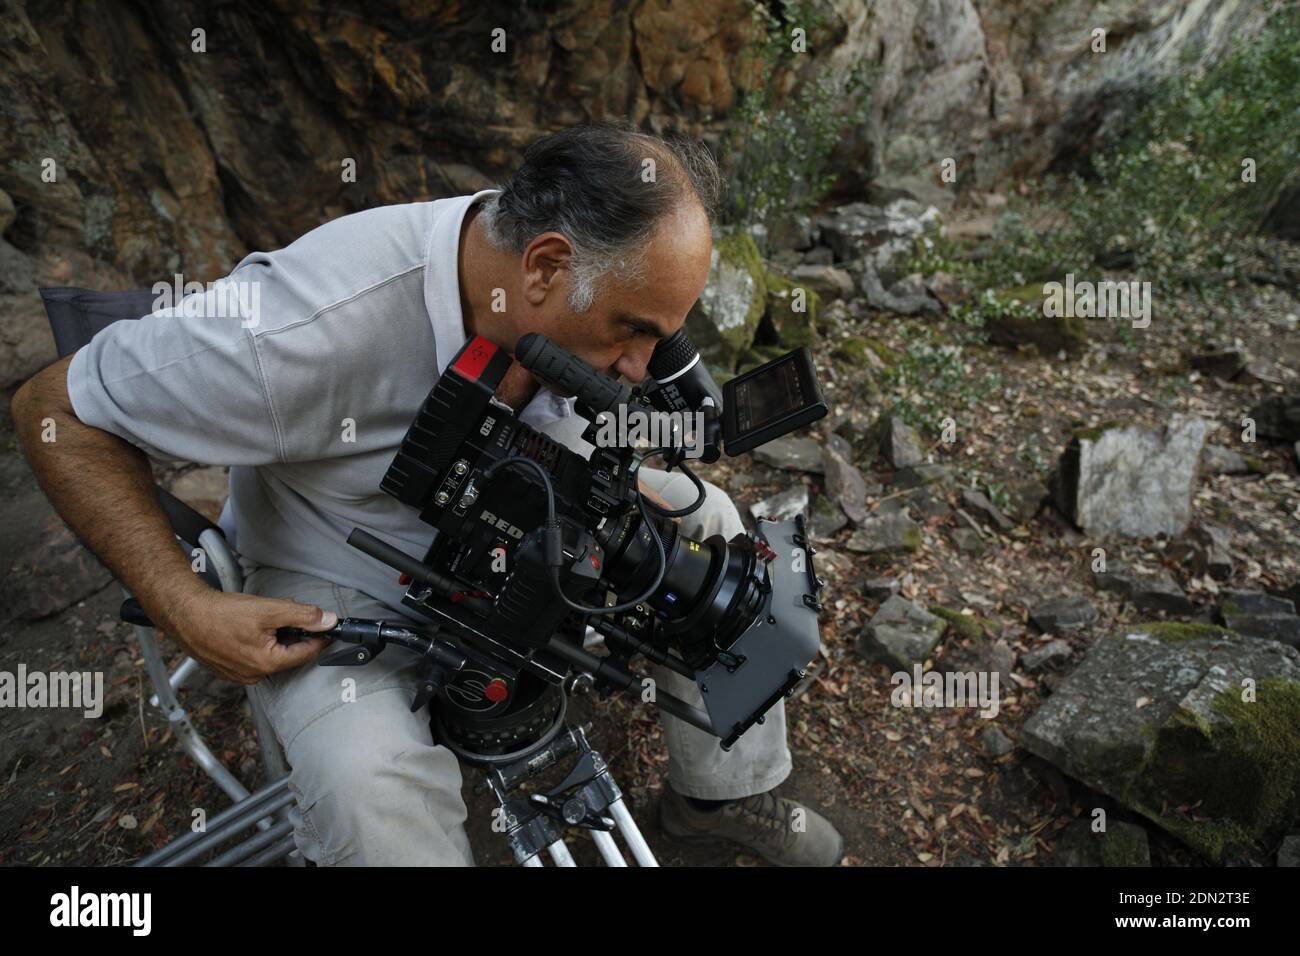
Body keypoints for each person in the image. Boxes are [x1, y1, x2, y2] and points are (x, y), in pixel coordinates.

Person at [13, 121, 843, 867]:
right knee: (371, 787)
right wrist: (183, 605)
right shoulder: (295, 332)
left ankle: (718, 796)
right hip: (347, 567)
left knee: (725, 538)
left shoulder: (563, 272)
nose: (638, 368)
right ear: (547, 266)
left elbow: (633, 395)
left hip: (537, 497)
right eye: (633, 331)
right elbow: (53, 409)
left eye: (662, 337)